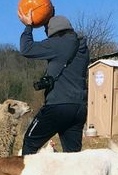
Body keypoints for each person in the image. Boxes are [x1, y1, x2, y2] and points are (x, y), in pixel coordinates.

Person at [18, 14, 89, 154]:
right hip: (79, 108)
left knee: (30, 142)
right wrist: (49, 16)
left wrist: (29, 26)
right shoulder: (82, 48)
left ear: (53, 33)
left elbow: (26, 49)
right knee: (72, 155)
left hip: (57, 106)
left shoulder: (58, 43)